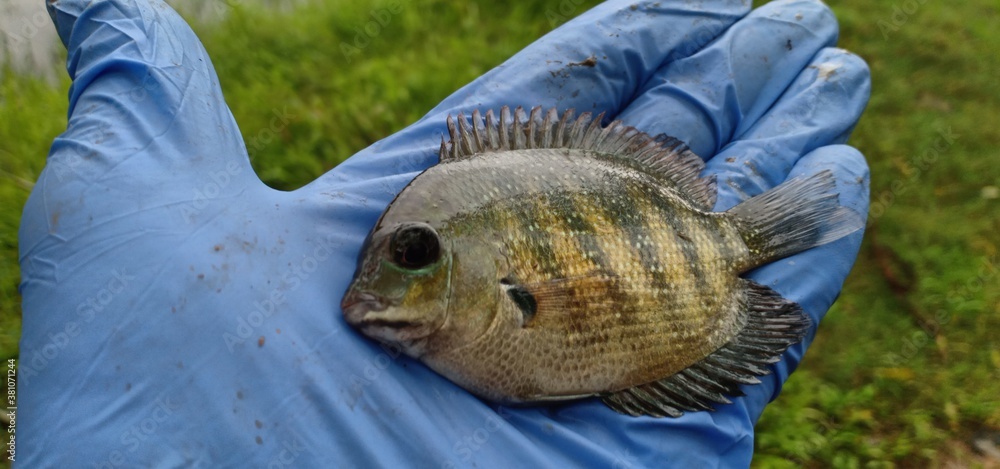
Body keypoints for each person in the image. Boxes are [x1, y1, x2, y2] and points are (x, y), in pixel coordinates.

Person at [17, 0, 870, 466]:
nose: (375, 292)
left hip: (683, 279)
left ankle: (766, 233)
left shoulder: (495, 256)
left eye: (413, 255)